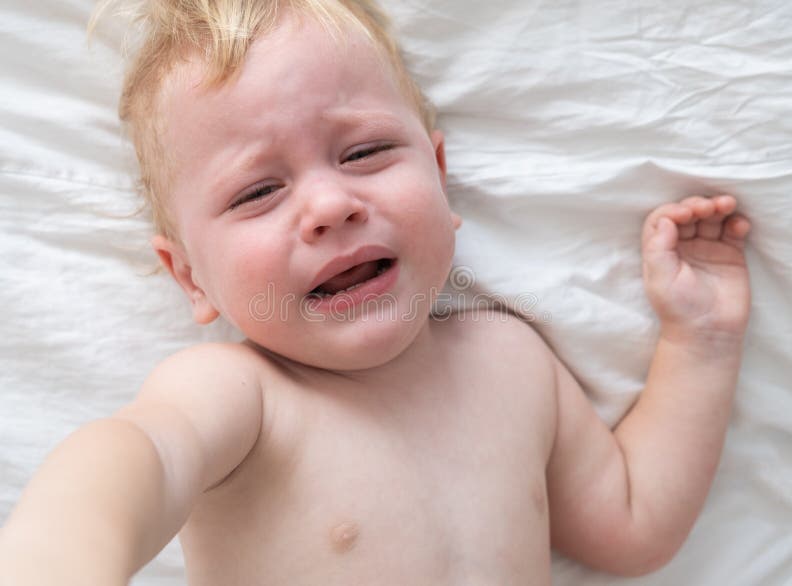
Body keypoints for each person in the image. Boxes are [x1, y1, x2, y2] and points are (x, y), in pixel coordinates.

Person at [0, 0, 752, 583]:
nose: (331, 206)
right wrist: (57, 558)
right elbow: (138, 458)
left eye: (364, 152)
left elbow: (633, 524)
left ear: (439, 172)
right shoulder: (244, 397)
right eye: (259, 192)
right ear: (192, 277)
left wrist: (701, 343)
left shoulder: (511, 360)